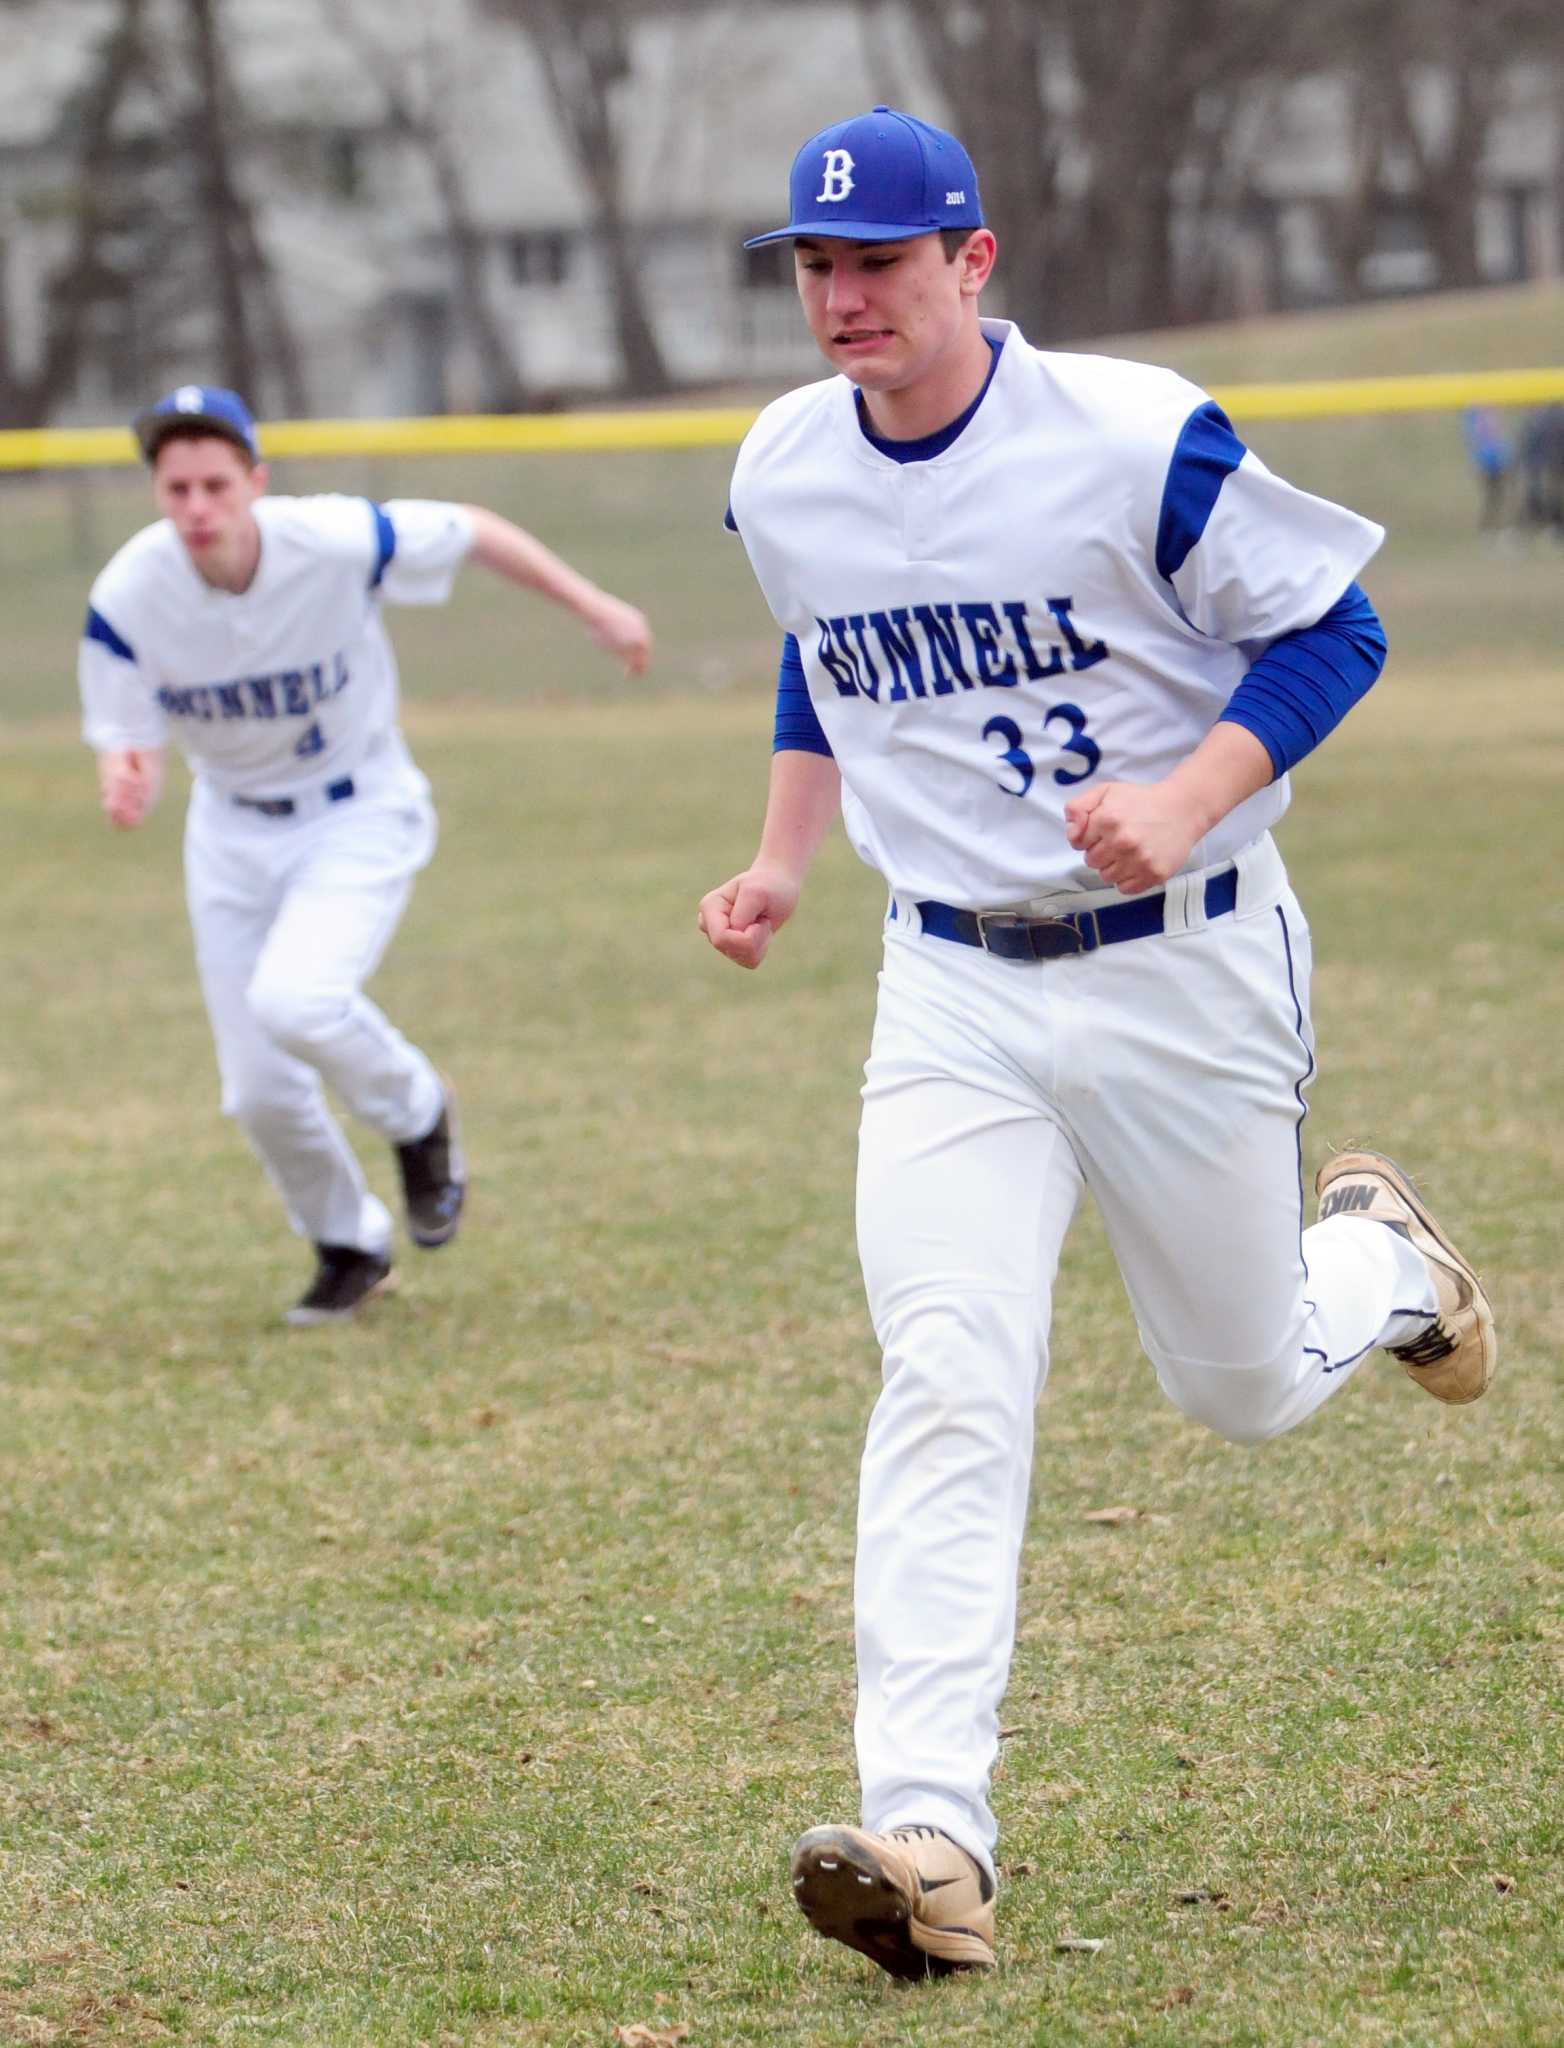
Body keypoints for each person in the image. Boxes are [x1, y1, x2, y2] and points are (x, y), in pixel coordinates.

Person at [697, 108, 1496, 1981]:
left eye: (879, 261)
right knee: (948, 1370)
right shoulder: (785, 466)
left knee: (1231, 1380)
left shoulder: (1129, 436)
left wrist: (1192, 785)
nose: (839, 297)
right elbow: (829, 643)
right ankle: (930, 1837)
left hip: (1183, 965)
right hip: (950, 987)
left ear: (971, 263)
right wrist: (776, 857)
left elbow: (1331, 627)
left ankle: (1378, 1261)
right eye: (813, 266)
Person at [82, 384, 651, 1325]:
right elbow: (123, 728)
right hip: (228, 831)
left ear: (256, 480)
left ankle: (418, 1110)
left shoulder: (331, 539)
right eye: (176, 486)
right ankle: (350, 1242)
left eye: (216, 484)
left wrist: (594, 605)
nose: (196, 508)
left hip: (357, 814)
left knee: (296, 999)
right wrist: (124, 771)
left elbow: (470, 528)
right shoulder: (129, 593)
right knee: (258, 1093)